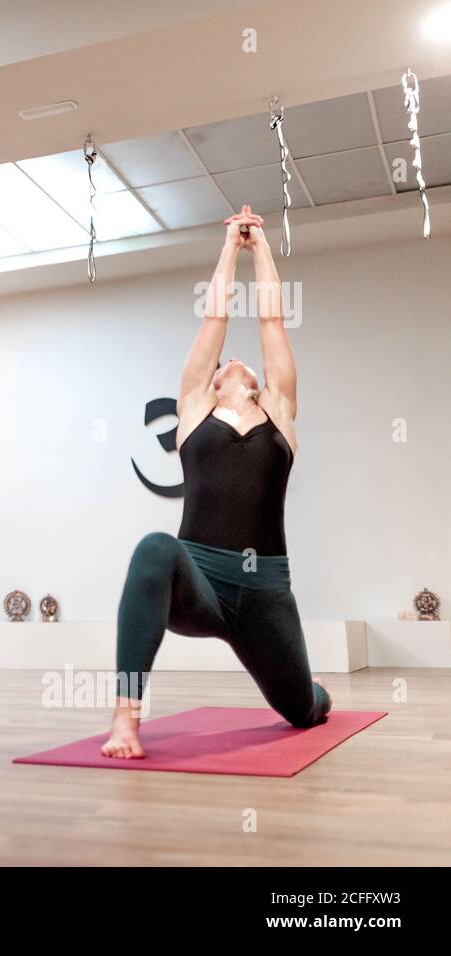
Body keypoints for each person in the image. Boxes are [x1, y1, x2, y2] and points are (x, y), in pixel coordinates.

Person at [102, 205, 331, 758]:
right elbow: (214, 320)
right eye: (224, 361)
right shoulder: (194, 410)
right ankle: (125, 717)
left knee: (304, 710)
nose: (232, 357)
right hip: (199, 580)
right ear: (213, 378)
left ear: (255, 383)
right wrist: (230, 246)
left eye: (241, 361)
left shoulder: (279, 411)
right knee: (155, 548)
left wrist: (264, 248)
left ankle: (315, 693)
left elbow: (272, 322)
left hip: (266, 594)